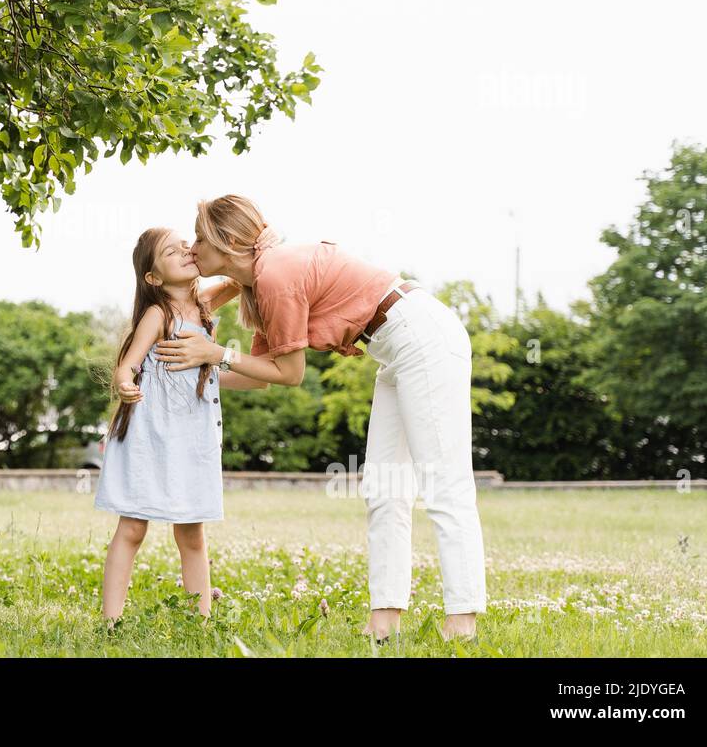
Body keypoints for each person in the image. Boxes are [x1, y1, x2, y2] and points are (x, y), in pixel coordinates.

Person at [155, 195, 487, 641]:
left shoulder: (275, 274)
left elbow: (290, 374)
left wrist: (215, 354)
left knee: (443, 482)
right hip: (394, 347)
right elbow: (258, 377)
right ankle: (383, 624)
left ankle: (462, 624)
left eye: (199, 237)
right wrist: (194, 371)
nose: (192, 247)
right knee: (385, 488)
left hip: (421, 335)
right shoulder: (258, 283)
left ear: (229, 240)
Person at [95, 227, 267, 624]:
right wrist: (124, 383)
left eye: (187, 245)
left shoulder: (203, 308)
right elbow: (130, 362)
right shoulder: (159, 314)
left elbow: (239, 277)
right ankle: (110, 620)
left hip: (193, 437)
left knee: (192, 532)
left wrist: (258, 243)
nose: (188, 251)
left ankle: (199, 619)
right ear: (153, 278)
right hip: (150, 436)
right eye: (173, 252)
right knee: (133, 527)